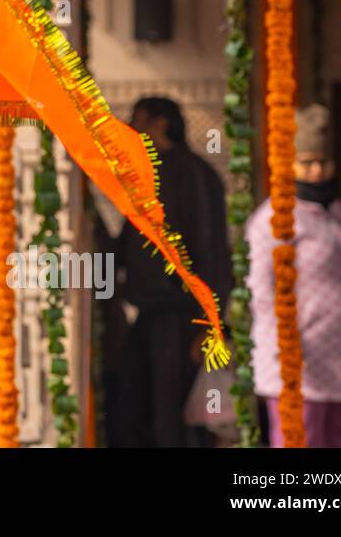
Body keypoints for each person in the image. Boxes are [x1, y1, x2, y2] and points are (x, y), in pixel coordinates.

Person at [247, 103, 341, 447]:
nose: (315, 171)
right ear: (289, 165)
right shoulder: (273, 219)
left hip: (340, 356)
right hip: (297, 360)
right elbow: (261, 291)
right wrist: (284, 347)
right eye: (306, 163)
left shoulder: (337, 212)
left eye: (321, 163)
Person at [111, 96, 232, 447]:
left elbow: (210, 251)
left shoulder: (193, 174)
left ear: (159, 124)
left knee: (174, 417)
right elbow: (128, 244)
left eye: (138, 121)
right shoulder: (147, 173)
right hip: (149, 313)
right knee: (131, 409)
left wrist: (211, 323)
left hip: (183, 317)